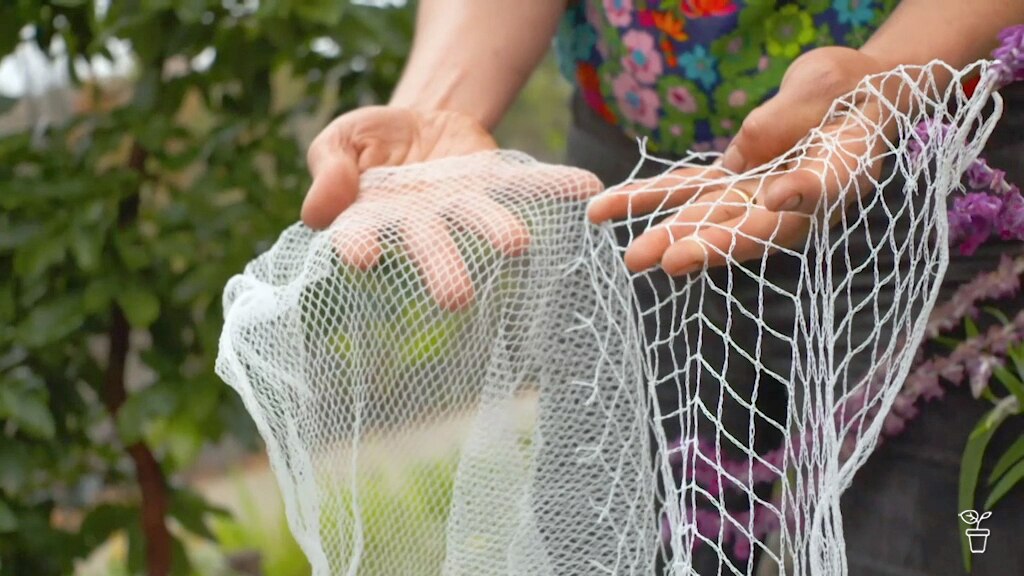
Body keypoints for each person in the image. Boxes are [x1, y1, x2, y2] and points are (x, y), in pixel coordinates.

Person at [301, 1, 1024, 573]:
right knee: (616, 537)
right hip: (634, 192)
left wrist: (888, 71)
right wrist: (440, 107)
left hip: (937, 173)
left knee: (952, 536)